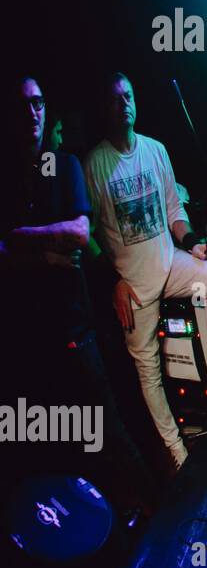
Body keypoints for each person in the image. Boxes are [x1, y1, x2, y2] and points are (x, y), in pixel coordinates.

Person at [0, 76, 157, 517]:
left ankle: (149, 511)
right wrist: (42, 257)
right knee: (43, 437)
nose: (32, 113)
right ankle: (64, 524)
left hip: (72, 327)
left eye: (38, 104)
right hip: (22, 333)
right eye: (21, 106)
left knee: (103, 427)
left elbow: (78, 233)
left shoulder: (61, 165)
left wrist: (20, 238)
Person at [84, 73, 207, 472]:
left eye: (128, 96)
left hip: (168, 259)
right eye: (114, 99)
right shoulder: (94, 164)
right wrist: (113, 280)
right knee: (149, 368)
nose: (123, 104)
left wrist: (191, 242)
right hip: (133, 282)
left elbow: (174, 210)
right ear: (103, 109)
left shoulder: (155, 150)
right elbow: (86, 234)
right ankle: (175, 450)